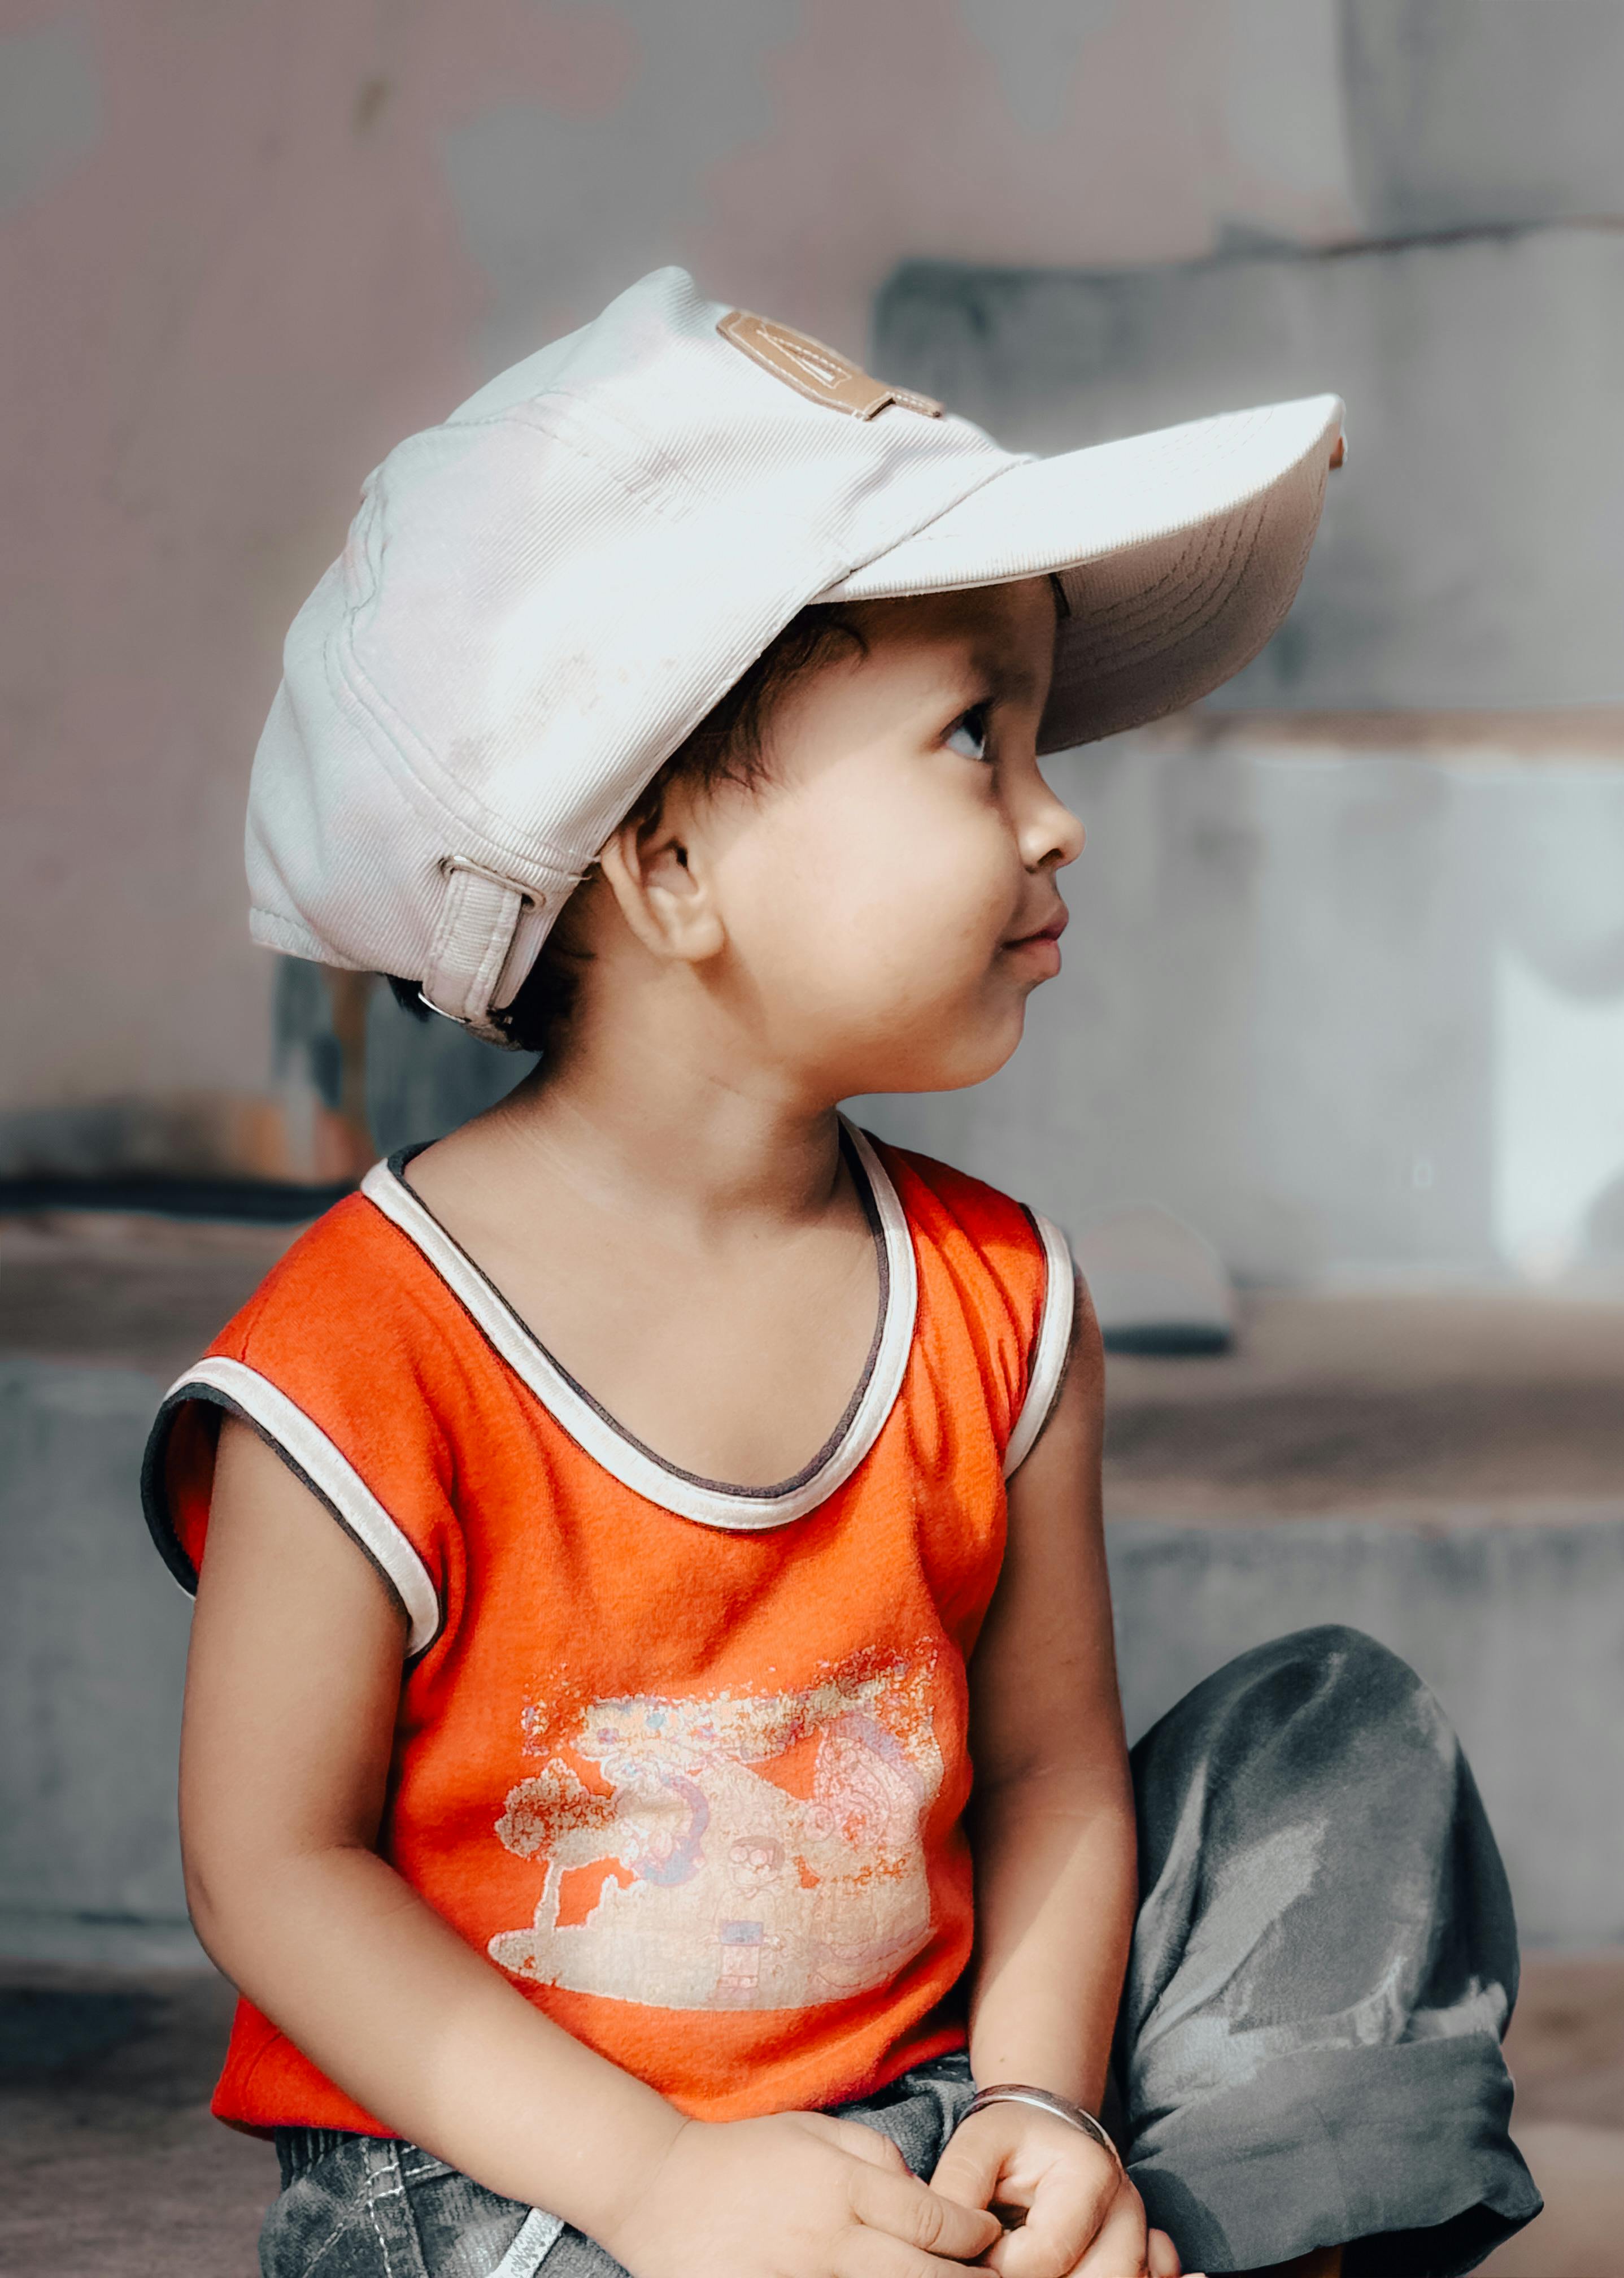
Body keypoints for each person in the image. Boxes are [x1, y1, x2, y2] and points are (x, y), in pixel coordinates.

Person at [143, 269, 1540, 2278]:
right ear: (670, 865)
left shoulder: (999, 1300)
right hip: (519, 2196)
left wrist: (1041, 2112)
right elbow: (270, 1872)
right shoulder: (363, 1352)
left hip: (917, 2119)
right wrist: (657, 2186)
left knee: (1341, 1730)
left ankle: (1089, 2238)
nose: (1058, 817)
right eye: (976, 736)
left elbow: (1055, 1772)